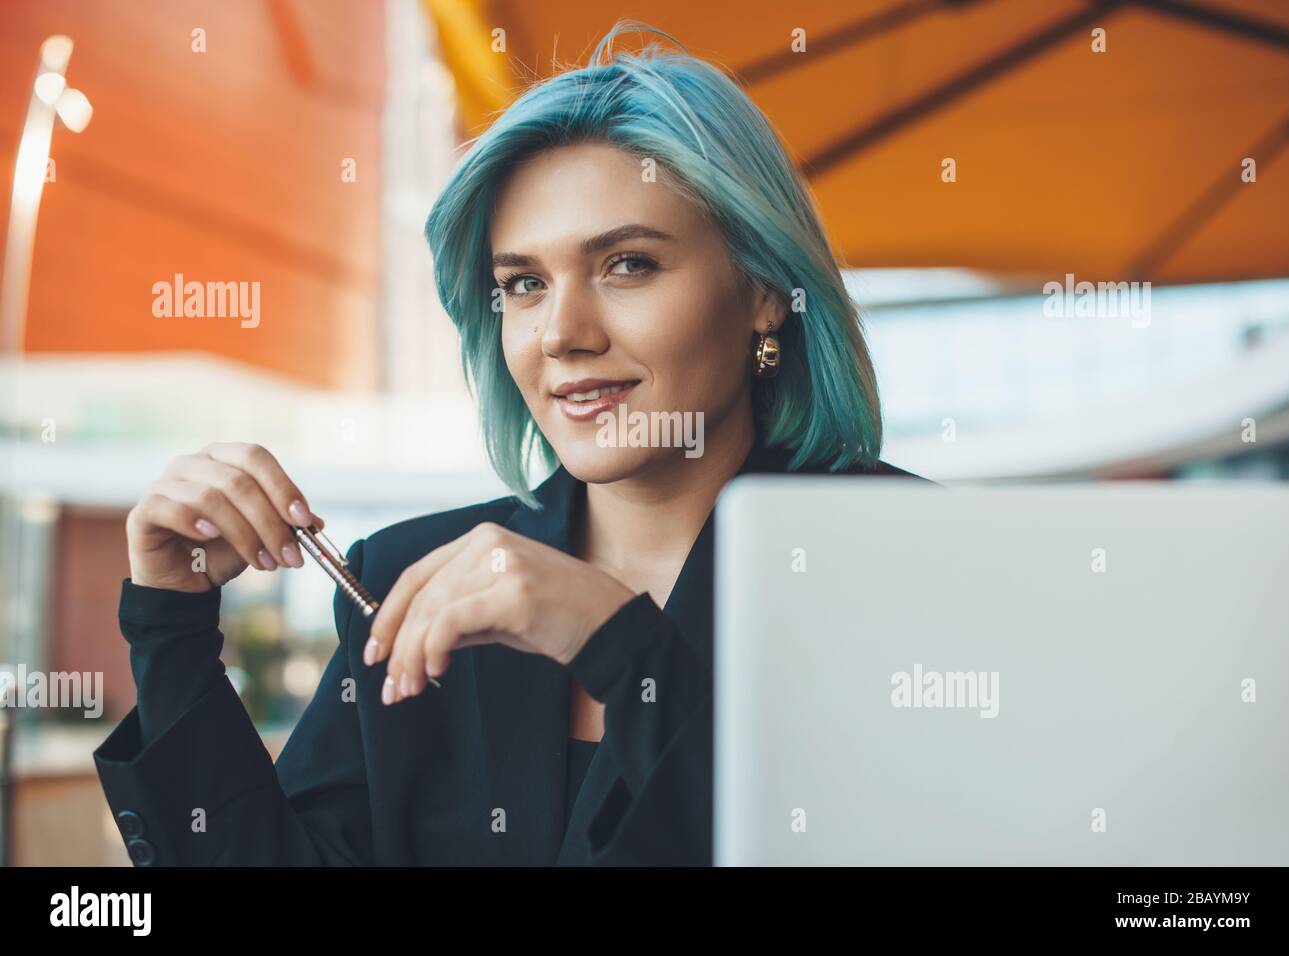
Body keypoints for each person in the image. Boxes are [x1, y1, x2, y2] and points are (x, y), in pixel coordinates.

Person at [93, 21, 926, 866]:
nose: (560, 333)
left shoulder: (909, 566)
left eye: (627, 264)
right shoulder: (404, 583)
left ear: (764, 292)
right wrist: (172, 627)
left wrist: (615, 643)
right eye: (523, 284)